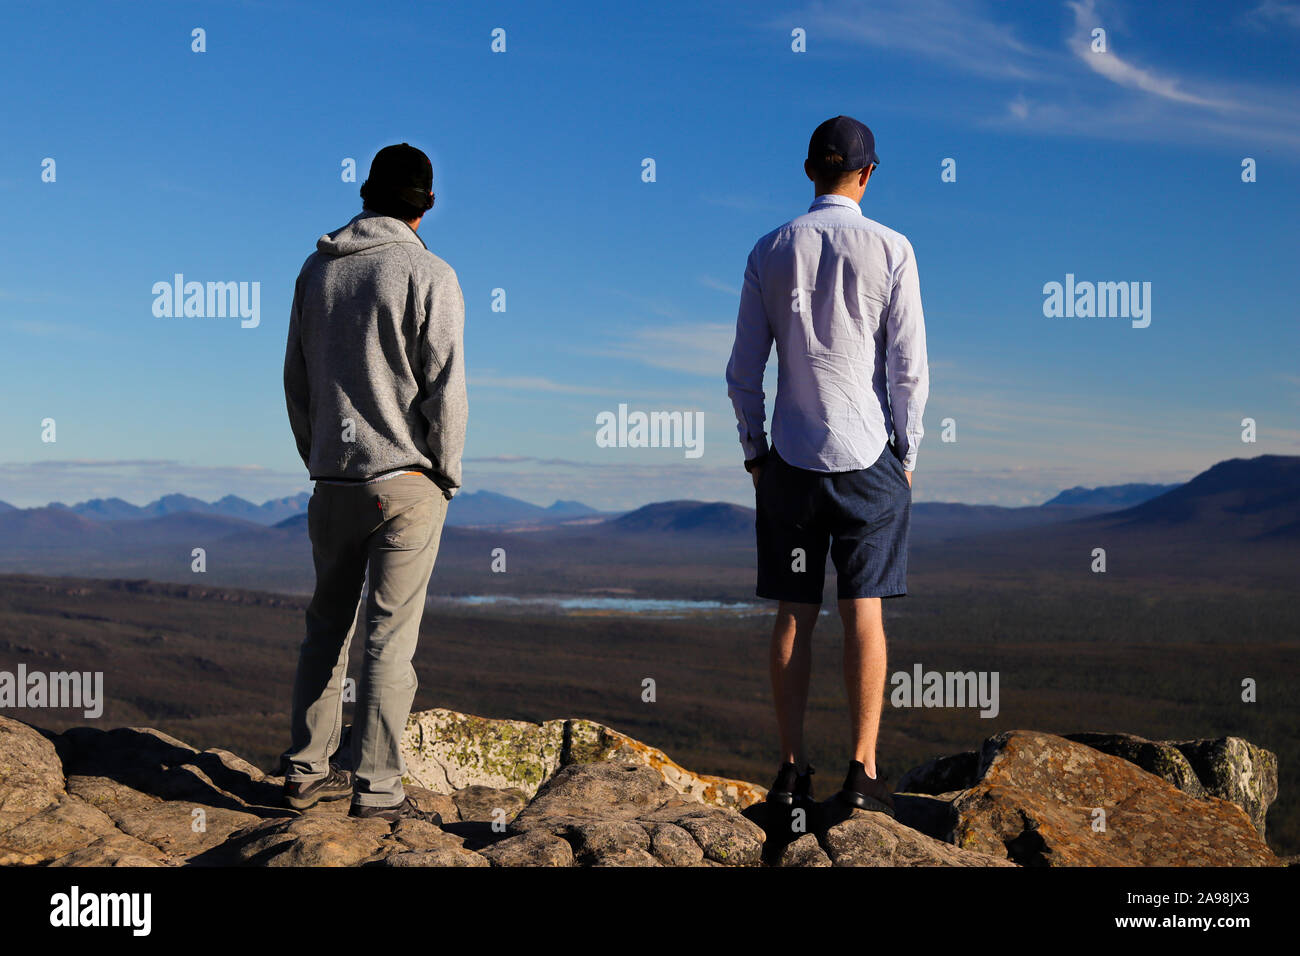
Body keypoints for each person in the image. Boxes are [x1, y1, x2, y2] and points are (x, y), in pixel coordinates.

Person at [725, 116, 929, 817]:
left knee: (793, 614)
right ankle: (863, 774)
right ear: (867, 174)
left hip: (790, 461)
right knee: (862, 612)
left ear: (809, 170)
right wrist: (907, 453)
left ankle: (789, 773)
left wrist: (757, 454)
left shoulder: (770, 249)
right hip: (869, 457)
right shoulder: (893, 249)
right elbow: (909, 370)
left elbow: (743, 371)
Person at [280, 143, 467, 823]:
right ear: (427, 204)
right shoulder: (428, 273)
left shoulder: (316, 270)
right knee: (391, 640)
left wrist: (320, 458)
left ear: (366, 193)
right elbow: (446, 387)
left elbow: (296, 379)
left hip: (333, 479)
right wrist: (442, 470)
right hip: (405, 480)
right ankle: (378, 791)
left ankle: (303, 773)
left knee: (325, 626)